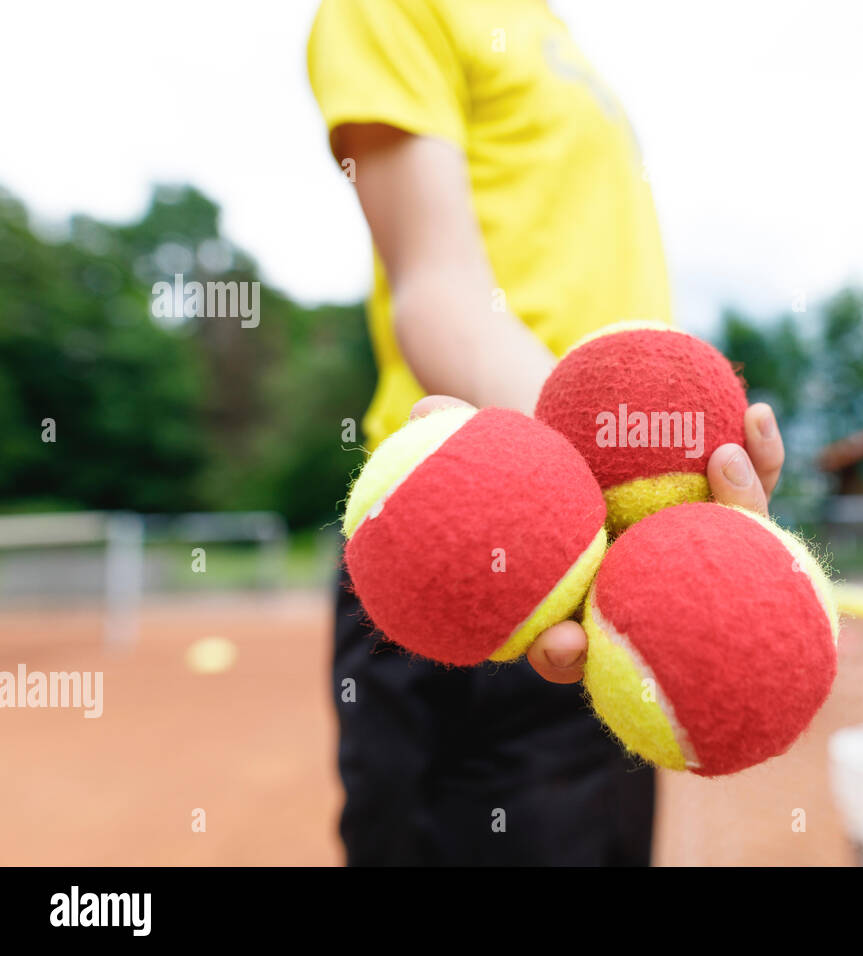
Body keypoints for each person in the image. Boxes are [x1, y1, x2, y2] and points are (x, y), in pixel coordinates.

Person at [307, 0, 785, 865]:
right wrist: (592, 474)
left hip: (603, 563)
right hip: (467, 533)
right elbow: (436, 281)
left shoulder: (554, 30)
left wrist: (646, 505)